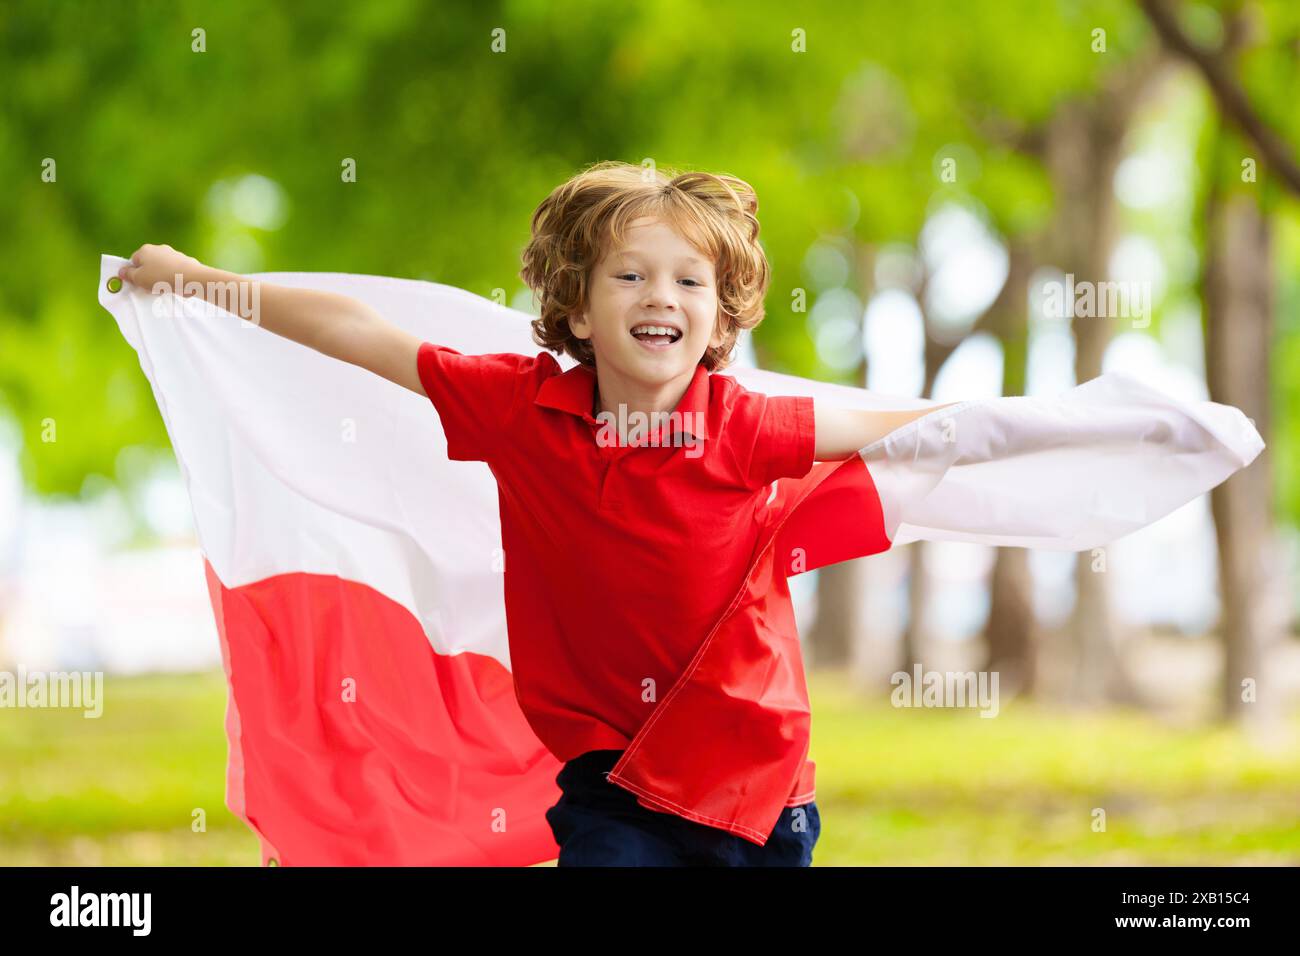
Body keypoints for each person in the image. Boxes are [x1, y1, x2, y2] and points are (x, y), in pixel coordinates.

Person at [115, 160, 954, 866]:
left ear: (719, 317)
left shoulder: (746, 425)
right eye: (630, 275)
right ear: (580, 310)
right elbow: (361, 334)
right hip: (612, 786)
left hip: (759, 789)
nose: (659, 295)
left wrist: (1059, 428)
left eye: (688, 280)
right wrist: (198, 282)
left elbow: (922, 434)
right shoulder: (522, 410)